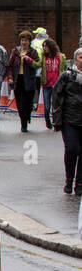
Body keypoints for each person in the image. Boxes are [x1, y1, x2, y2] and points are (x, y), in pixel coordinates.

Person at [51, 48, 82, 193]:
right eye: (81, 57)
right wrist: (57, 119)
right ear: (76, 60)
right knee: (72, 149)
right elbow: (56, 96)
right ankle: (69, 179)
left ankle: (80, 182)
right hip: (69, 120)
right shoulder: (67, 76)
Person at [7, 31, 40, 132]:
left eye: (26, 40)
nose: (23, 42)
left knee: (28, 103)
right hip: (18, 80)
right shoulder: (15, 52)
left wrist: (28, 59)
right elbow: (9, 66)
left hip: (29, 80)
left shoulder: (33, 52)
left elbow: (38, 64)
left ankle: (27, 117)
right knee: (20, 104)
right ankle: (23, 122)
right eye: (22, 40)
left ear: (29, 41)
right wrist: (10, 78)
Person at [40, 37, 62, 129]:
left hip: (56, 84)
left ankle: (55, 122)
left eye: (46, 46)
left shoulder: (60, 57)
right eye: (43, 46)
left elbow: (63, 68)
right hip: (46, 84)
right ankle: (47, 120)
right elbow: (37, 64)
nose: (44, 48)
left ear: (51, 46)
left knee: (55, 105)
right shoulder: (43, 57)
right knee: (46, 107)